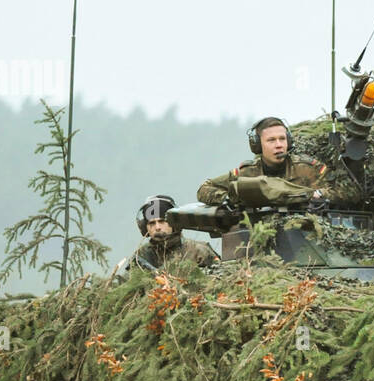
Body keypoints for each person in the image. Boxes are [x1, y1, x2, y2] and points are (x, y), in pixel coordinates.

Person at [196, 116, 330, 208]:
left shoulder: (306, 168)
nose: (279, 145)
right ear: (258, 145)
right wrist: (228, 199)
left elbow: (341, 189)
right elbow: (204, 189)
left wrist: (319, 194)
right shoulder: (247, 172)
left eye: (282, 139)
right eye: (271, 140)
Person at [123, 194, 219, 272]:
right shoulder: (141, 255)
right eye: (152, 223)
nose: (157, 227)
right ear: (145, 227)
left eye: (162, 221)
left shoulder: (199, 251)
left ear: (173, 222)